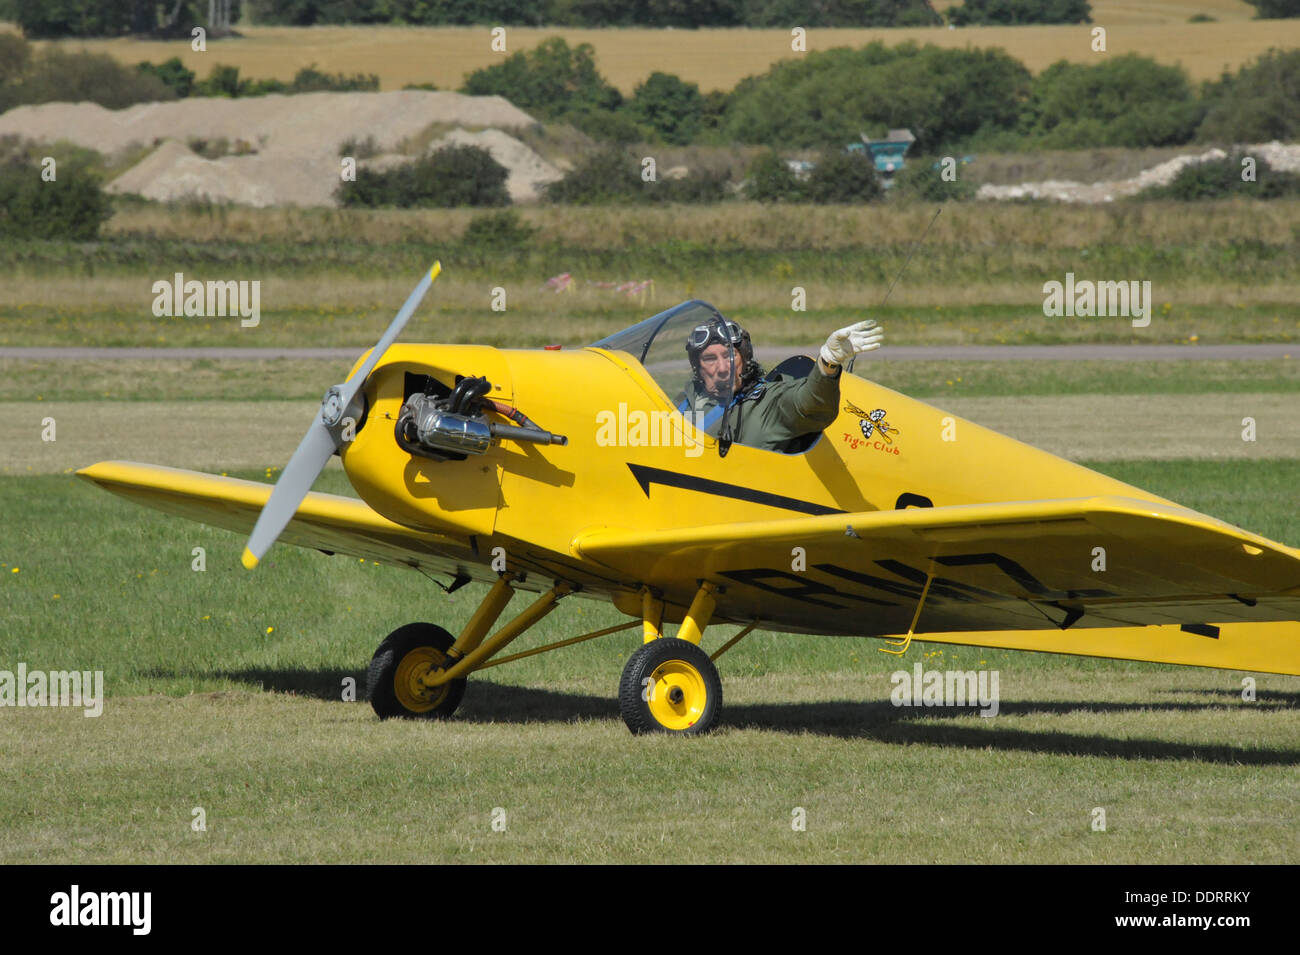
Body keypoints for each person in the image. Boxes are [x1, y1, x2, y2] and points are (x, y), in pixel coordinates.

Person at [679, 316, 883, 454]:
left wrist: (828, 363)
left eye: (729, 356)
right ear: (698, 367)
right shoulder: (684, 403)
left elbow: (811, 405)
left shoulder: (770, 402)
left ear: (745, 356)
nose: (723, 368)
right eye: (710, 359)